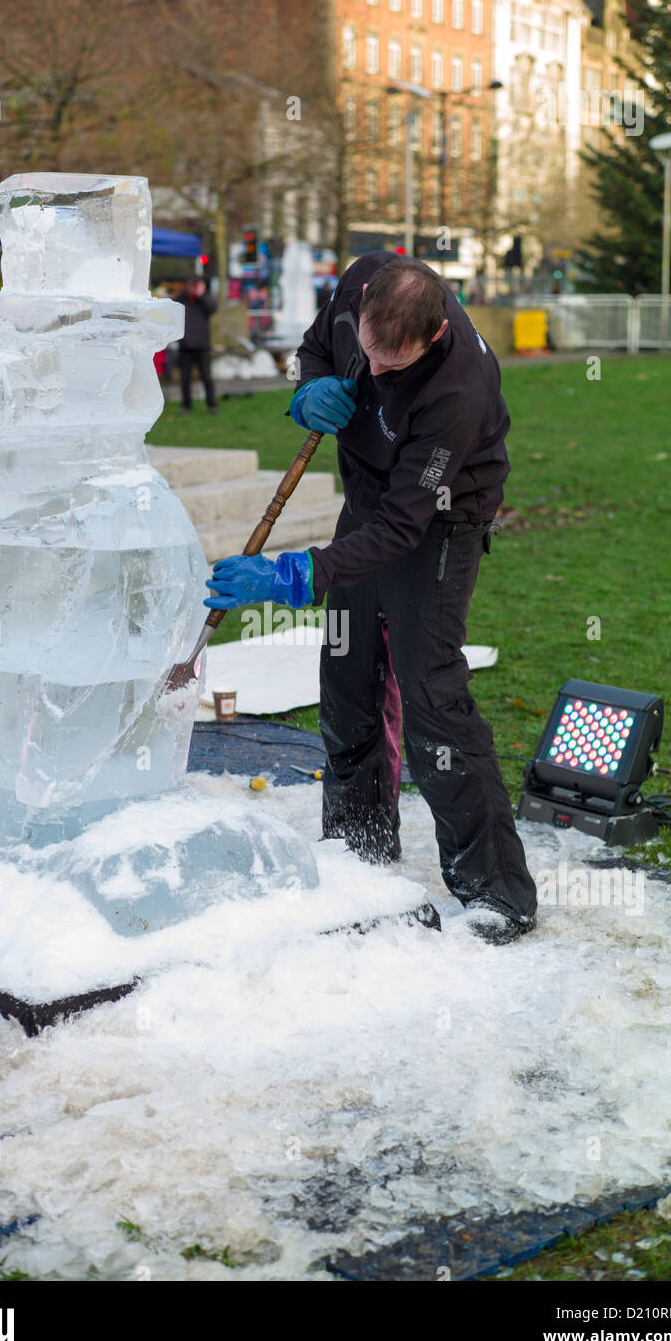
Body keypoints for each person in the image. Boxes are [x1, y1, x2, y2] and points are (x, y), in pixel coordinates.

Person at [205, 252, 538, 945]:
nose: (375, 374)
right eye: (367, 357)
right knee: (347, 670)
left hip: (439, 515)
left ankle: (497, 892)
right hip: (368, 492)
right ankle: (358, 848)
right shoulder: (363, 283)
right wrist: (314, 385)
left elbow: (402, 527)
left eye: (391, 367)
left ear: (435, 334)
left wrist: (295, 575)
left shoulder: (456, 391)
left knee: (430, 695)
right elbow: (312, 348)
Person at [175, 276, 217, 414]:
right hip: (186, 346)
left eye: (195, 285)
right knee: (185, 379)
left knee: (206, 377)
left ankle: (212, 404)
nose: (191, 288)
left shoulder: (204, 300)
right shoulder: (181, 299)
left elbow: (212, 309)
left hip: (202, 346)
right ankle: (186, 405)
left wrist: (201, 295)